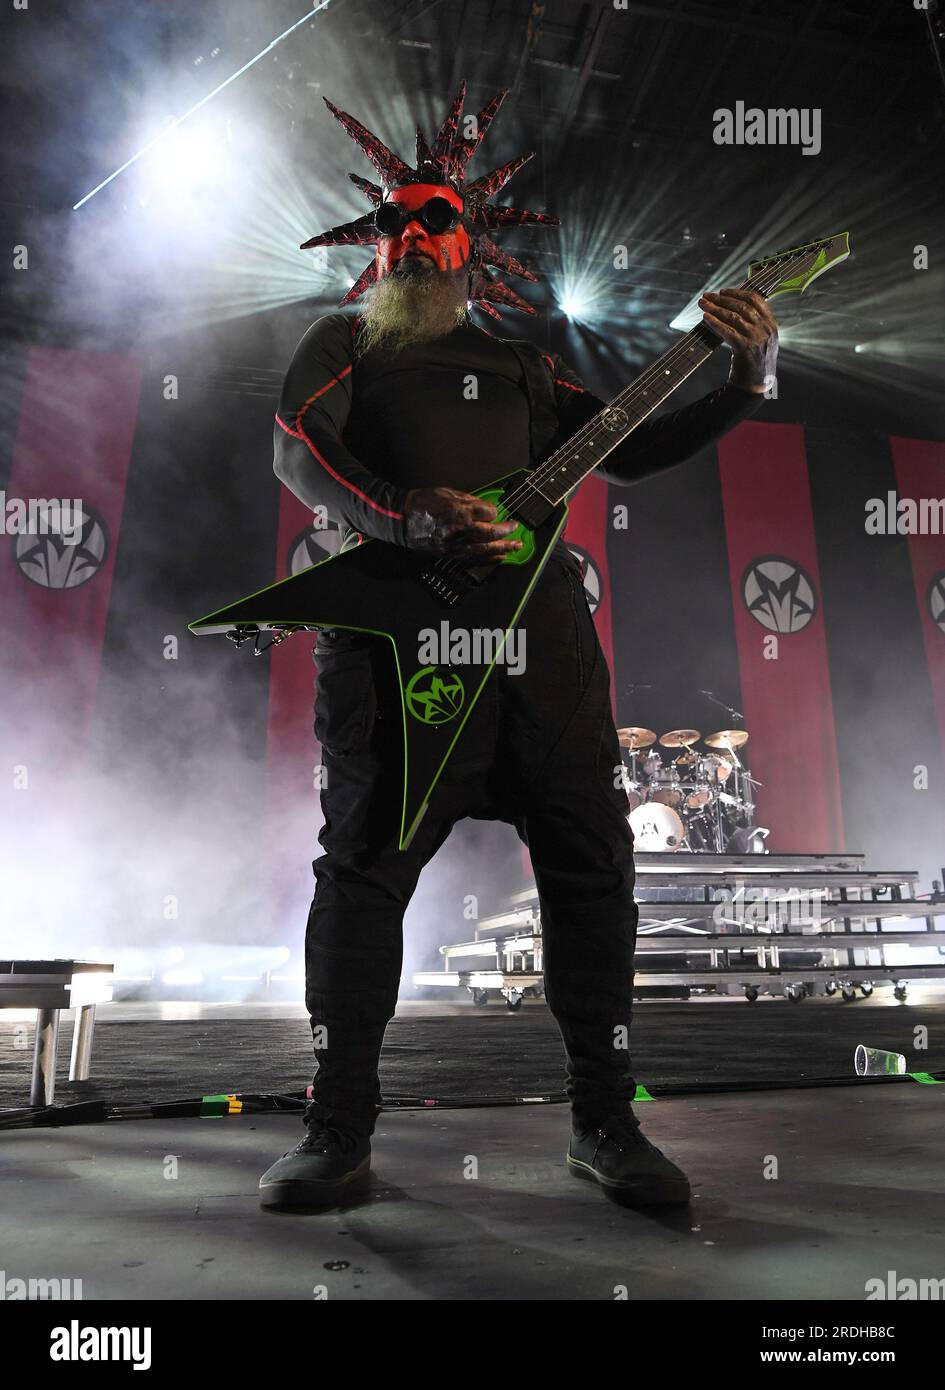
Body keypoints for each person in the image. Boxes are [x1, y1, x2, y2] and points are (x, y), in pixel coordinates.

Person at [258, 83, 779, 1211]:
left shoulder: (529, 371)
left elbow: (635, 448)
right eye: (393, 223)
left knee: (594, 875)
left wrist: (748, 379)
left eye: (433, 220)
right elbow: (298, 449)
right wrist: (407, 515)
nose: (409, 237)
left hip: (545, 672)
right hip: (398, 669)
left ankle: (605, 1120)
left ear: (466, 245)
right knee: (360, 881)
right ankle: (338, 1126)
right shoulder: (339, 344)